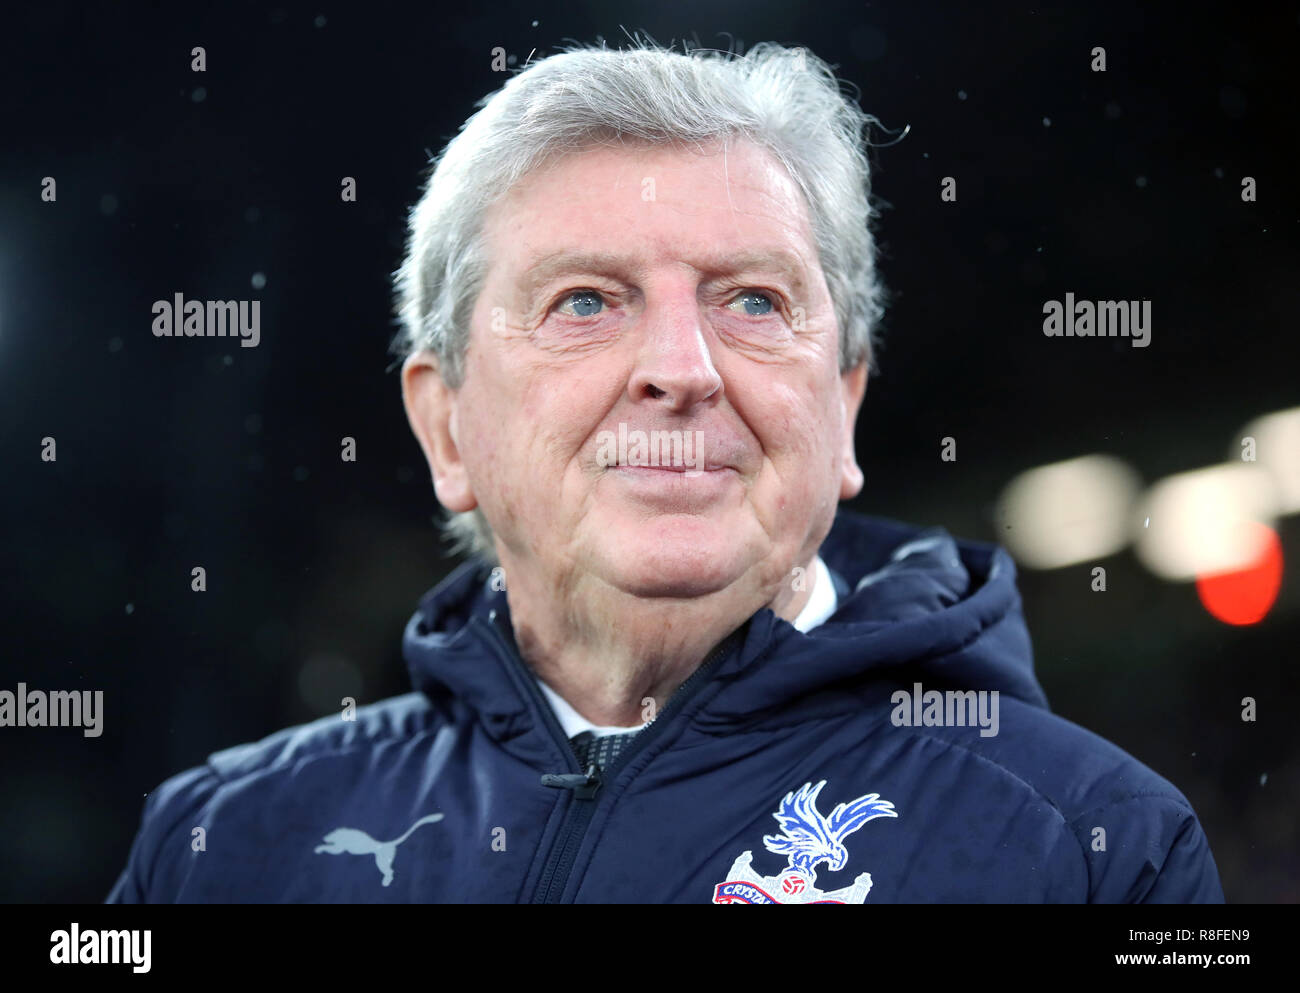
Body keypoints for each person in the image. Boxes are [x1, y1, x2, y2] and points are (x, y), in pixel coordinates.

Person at [107, 39, 1223, 903]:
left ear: (840, 409)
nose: (680, 371)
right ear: (446, 429)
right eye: (584, 302)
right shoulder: (220, 845)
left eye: (751, 300)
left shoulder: (1103, 847)